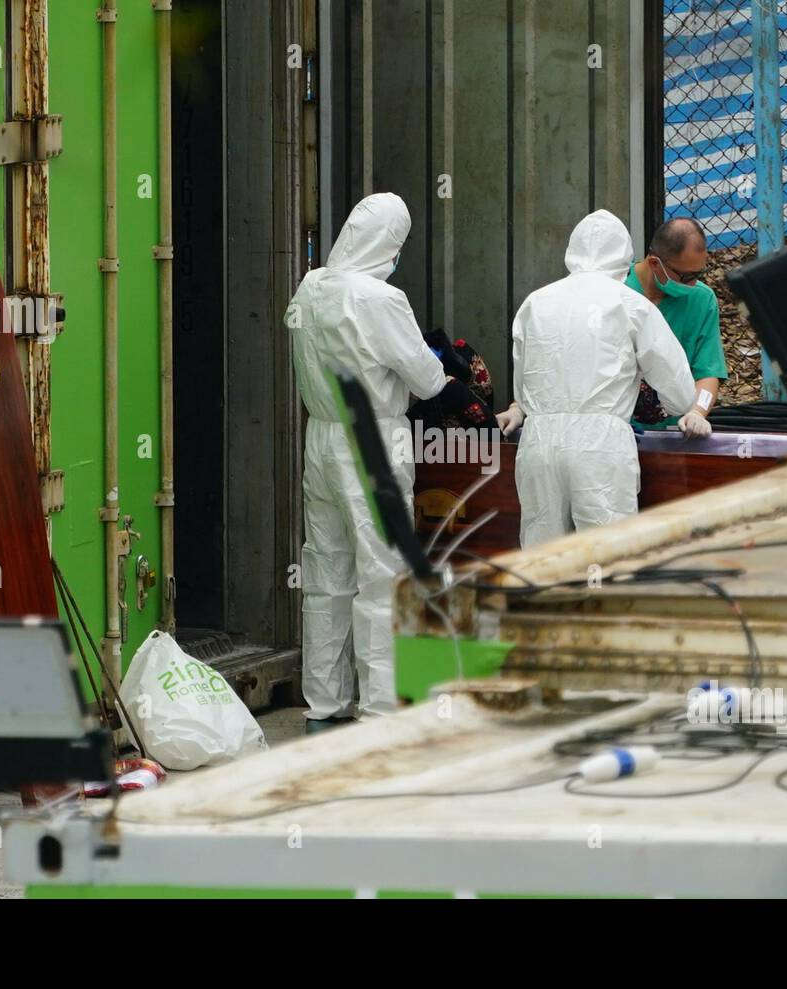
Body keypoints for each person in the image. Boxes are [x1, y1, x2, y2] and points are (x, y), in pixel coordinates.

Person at [286, 193, 447, 733]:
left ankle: (323, 707)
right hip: (373, 442)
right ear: (390, 244)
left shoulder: (312, 286)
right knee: (381, 576)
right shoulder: (382, 299)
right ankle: (379, 711)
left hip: (322, 438)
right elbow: (426, 380)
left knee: (325, 571)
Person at [495, 210, 697, 548]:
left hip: (540, 442)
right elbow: (679, 391)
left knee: (541, 556)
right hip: (600, 446)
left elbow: (523, 383)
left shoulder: (536, 302)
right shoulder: (631, 304)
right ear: (624, 256)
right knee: (605, 557)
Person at [626, 218, 728, 439]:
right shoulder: (615, 289)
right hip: (618, 432)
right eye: (686, 276)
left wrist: (697, 412)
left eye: (698, 274)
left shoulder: (701, 299)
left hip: (673, 434)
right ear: (655, 263)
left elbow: (708, 372)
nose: (692, 284)